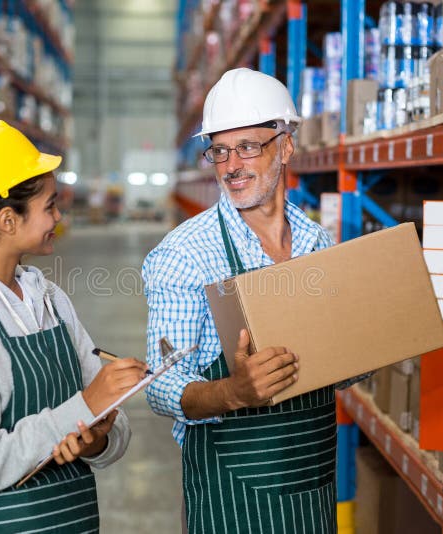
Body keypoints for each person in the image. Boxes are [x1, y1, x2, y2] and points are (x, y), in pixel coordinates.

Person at [0, 120, 147, 533]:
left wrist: (98, 440)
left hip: (74, 520)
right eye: (50, 206)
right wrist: (82, 409)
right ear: (7, 220)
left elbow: (109, 420)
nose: (59, 215)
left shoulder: (49, 300)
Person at [143, 68, 350, 533]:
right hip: (230, 501)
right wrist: (232, 393)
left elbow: (343, 364)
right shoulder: (185, 253)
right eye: (219, 150)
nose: (232, 165)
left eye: (249, 147)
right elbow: (159, 385)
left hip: (314, 487)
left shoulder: (321, 243)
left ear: (287, 146)